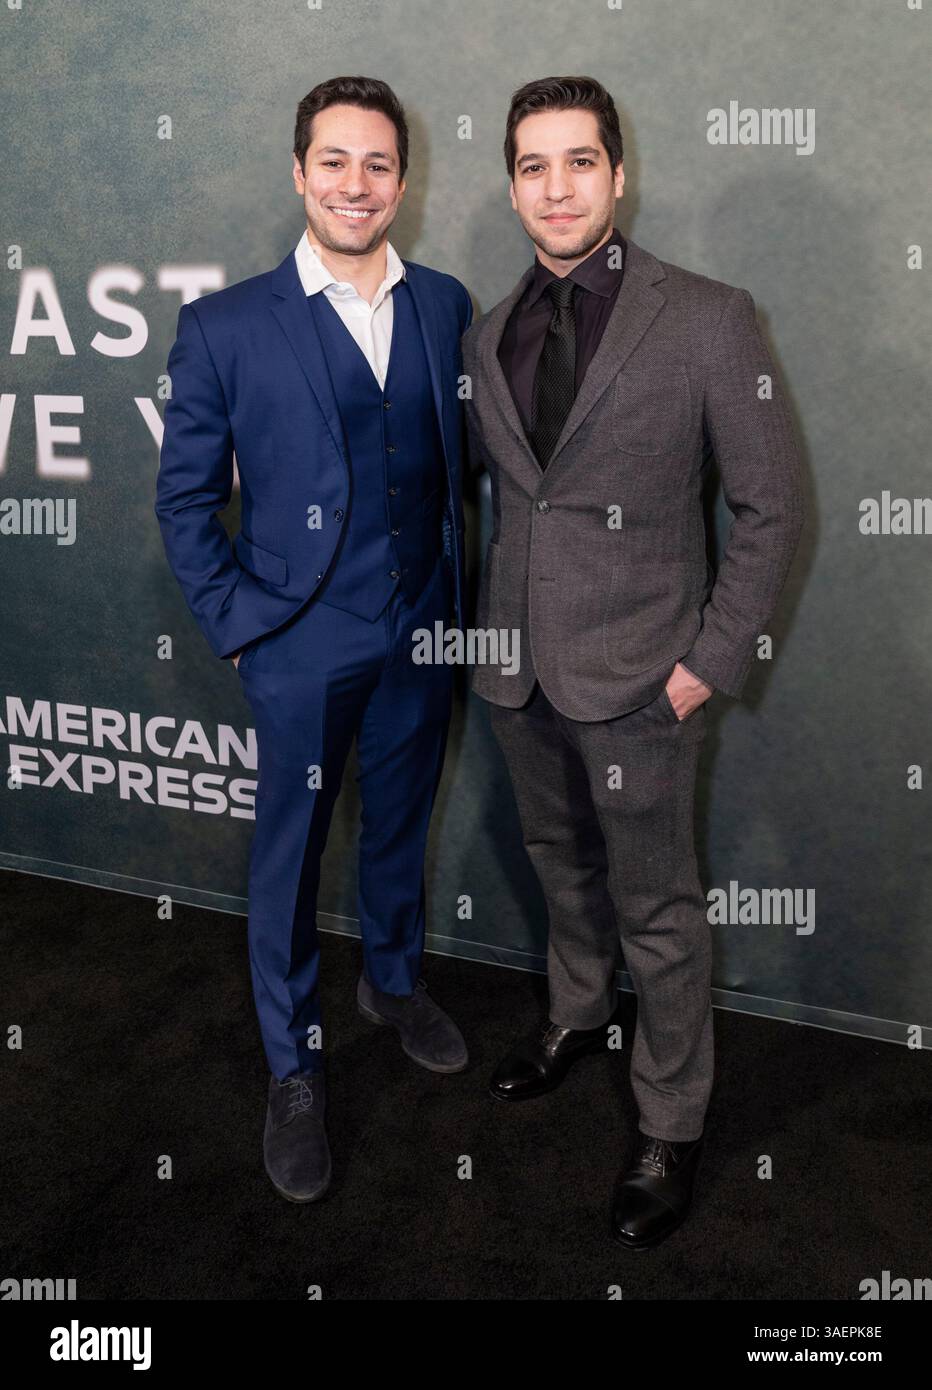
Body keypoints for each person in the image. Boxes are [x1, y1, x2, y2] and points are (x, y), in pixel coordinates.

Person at [462, 75, 804, 1248]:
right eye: (531, 167)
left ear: (619, 173)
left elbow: (766, 508)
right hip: (515, 673)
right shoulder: (482, 328)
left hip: (644, 683)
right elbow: (513, 502)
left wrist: (705, 662)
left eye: (577, 162)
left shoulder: (707, 317)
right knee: (560, 868)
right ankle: (570, 1014)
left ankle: (669, 1118)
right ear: (510, 185)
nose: (554, 188)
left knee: (656, 909)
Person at [155, 76, 471, 1204]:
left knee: (399, 825)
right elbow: (185, 505)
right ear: (299, 173)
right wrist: (246, 635)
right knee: (288, 863)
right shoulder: (225, 324)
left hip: (419, 631)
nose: (355, 183)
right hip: (296, 643)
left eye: (377, 164)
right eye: (333, 161)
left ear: (403, 180)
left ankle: (390, 982)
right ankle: (293, 1064)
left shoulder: (443, 304)